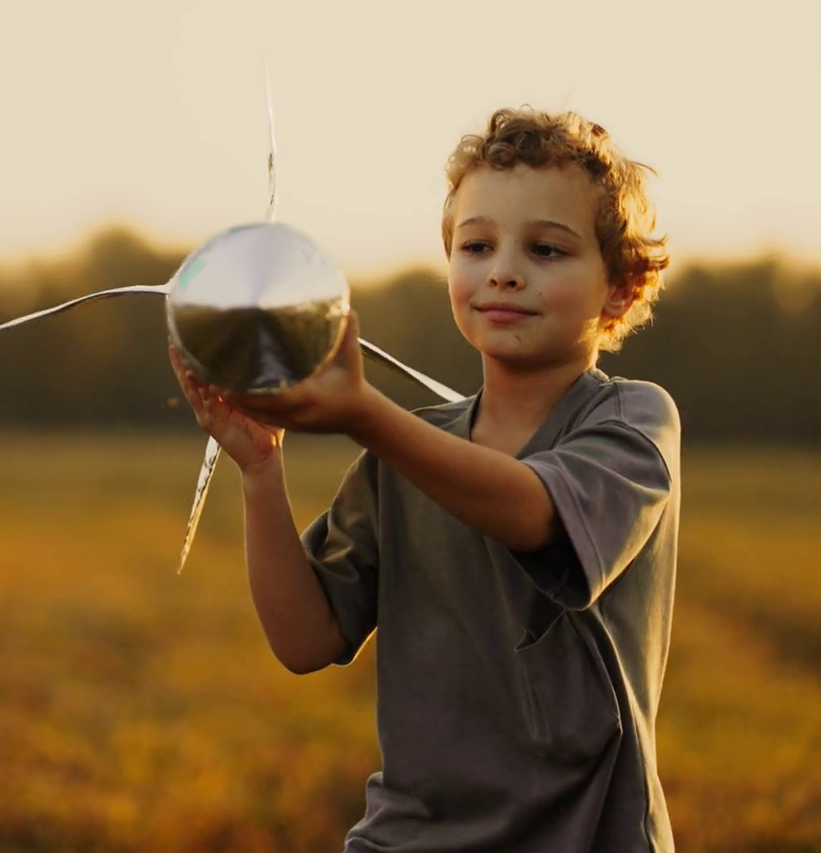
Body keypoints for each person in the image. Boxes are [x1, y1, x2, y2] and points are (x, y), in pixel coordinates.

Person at [168, 106, 679, 851]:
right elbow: (306, 638)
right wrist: (260, 468)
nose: (503, 269)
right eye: (477, 245)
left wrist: (366, 414)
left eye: (546, 249)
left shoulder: (633, 423)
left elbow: (535, 512)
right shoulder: (402, 454)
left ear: (620, 290)